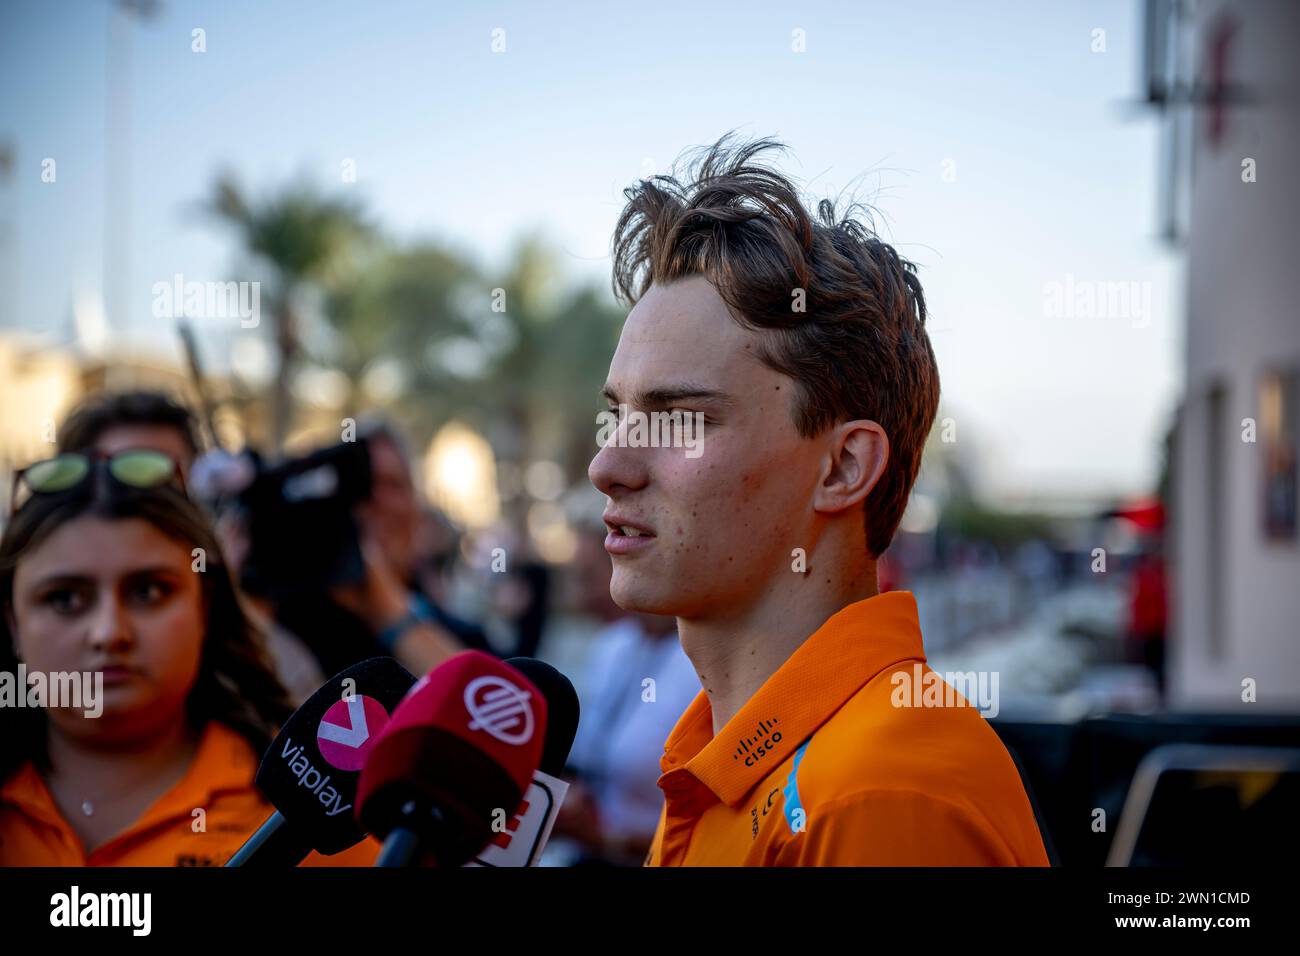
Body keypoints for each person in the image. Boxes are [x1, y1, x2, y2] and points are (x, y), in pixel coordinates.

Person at [589, 133, 1050, 866]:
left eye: (680, 420)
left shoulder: (881, 795)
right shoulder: (744, 756)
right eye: (616, 416)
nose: (607, 464)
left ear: (842, 467)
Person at [0, 449, 377, 865]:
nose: (109, 633)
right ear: (12, 621)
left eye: (149, 591)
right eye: (65, 598)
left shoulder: (317, 811)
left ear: (205, 606)